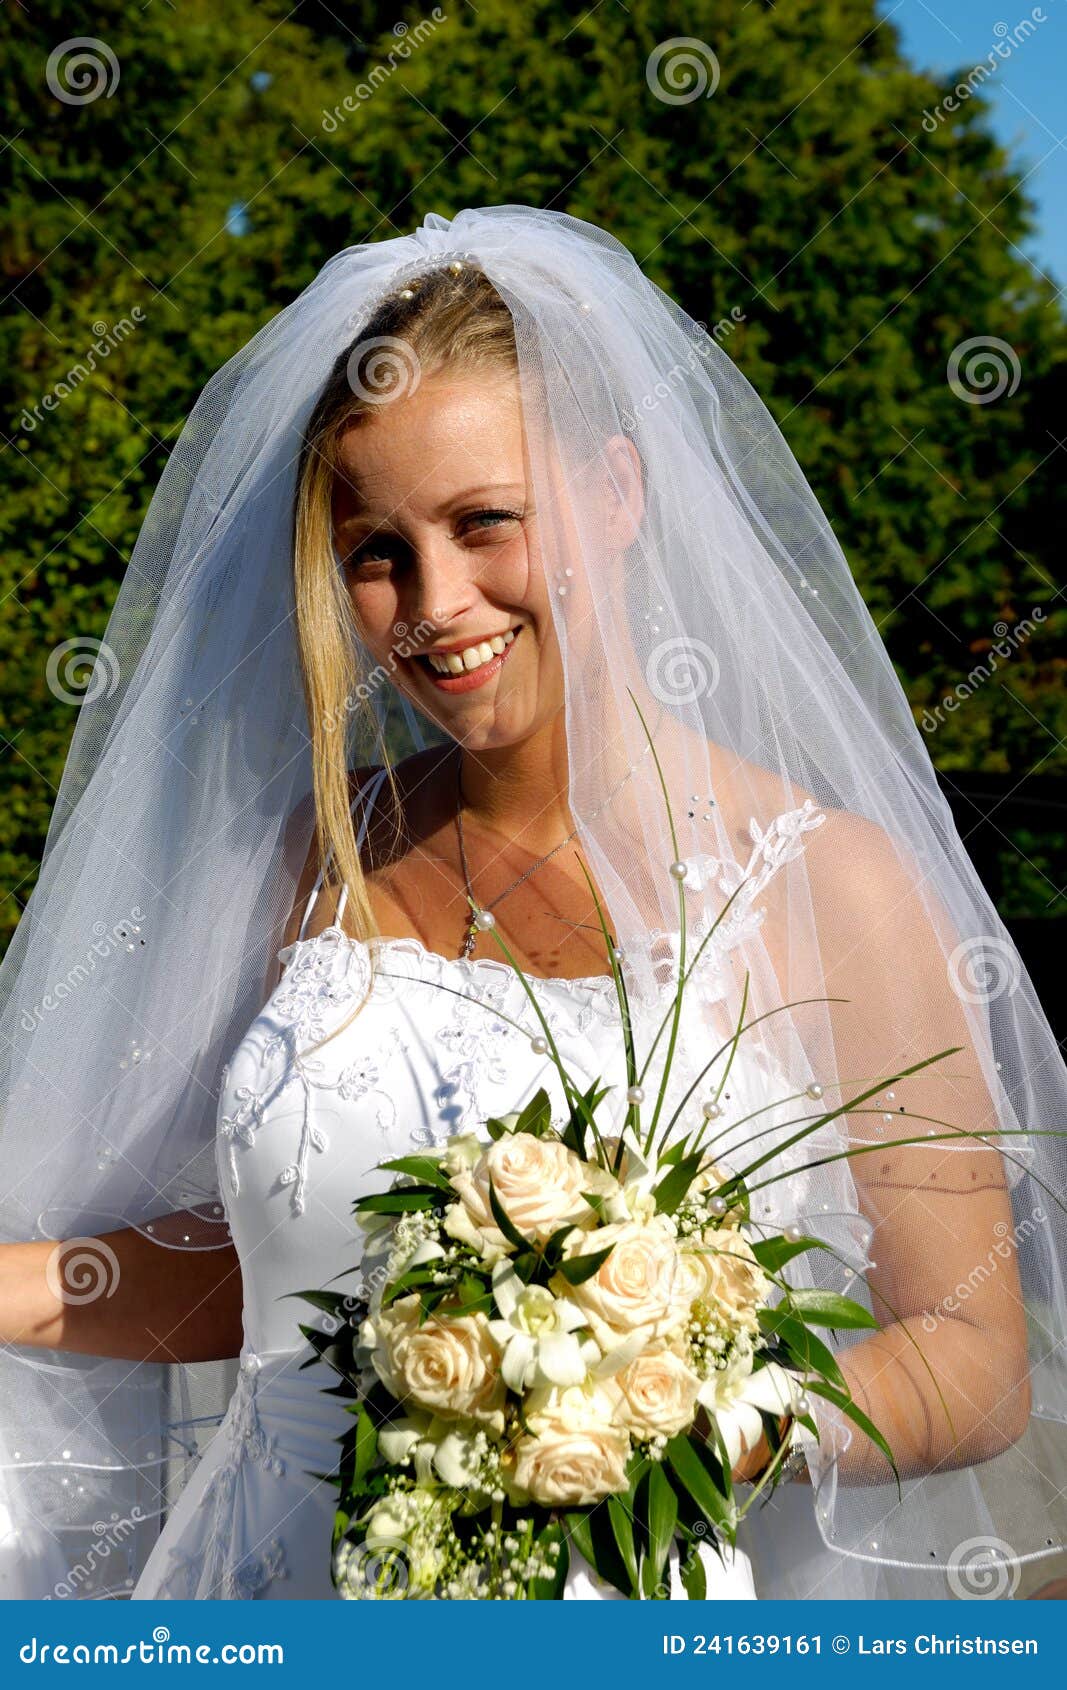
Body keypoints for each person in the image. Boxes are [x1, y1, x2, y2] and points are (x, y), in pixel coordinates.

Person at [0, 206, 1064, 1602]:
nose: (435, 603)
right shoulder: (318, 854)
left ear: (615, 494)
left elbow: (973, 1359)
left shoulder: (829, 885)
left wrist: (663, 1422)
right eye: (377, 549)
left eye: (483, 523)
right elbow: (267, 1275)